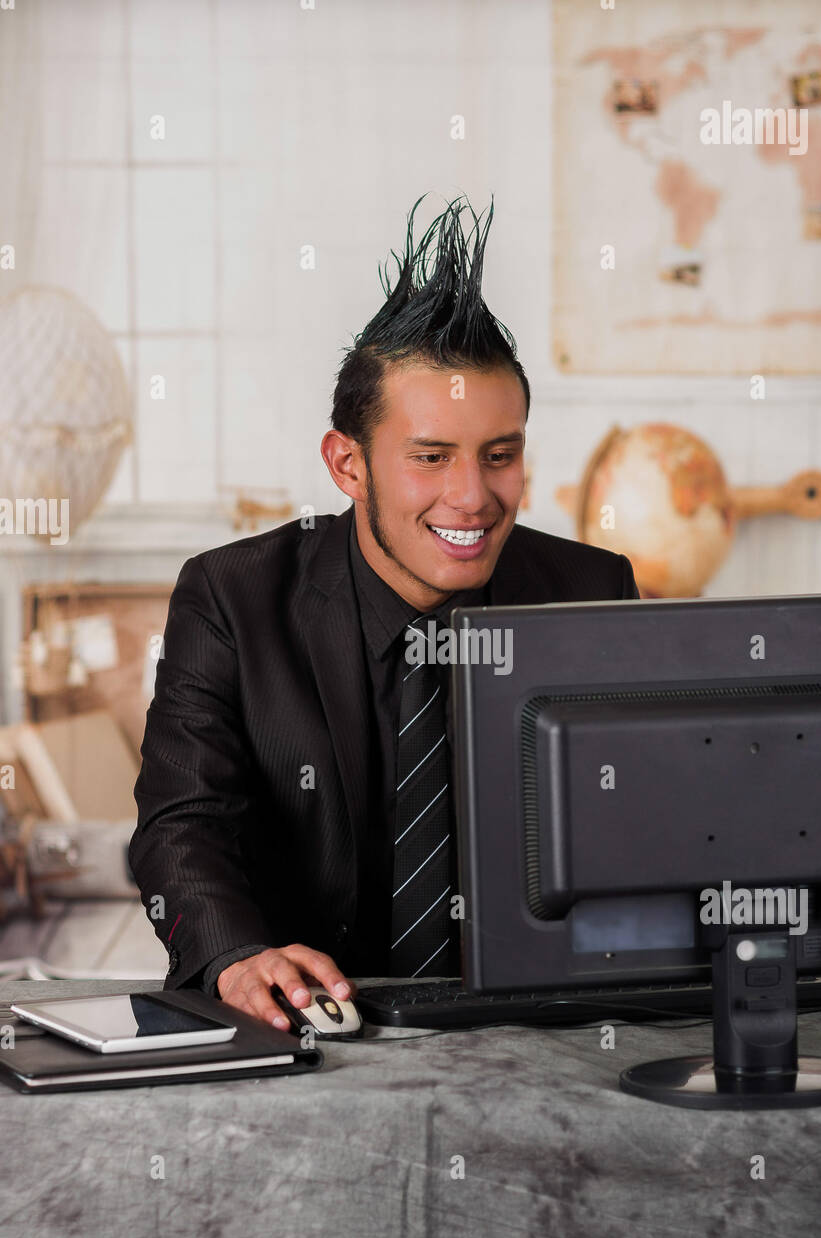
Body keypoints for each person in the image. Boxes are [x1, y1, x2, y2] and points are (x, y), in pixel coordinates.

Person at [128, 192, 640, 1030]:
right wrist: (234, 955)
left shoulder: (593, 591)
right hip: (315, 1031)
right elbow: (183, 822)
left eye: (499, 456)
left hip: (540, 1027)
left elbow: (643, 824)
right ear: (347, 464)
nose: (473, 497)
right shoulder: (232, 596)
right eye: (431, 457)